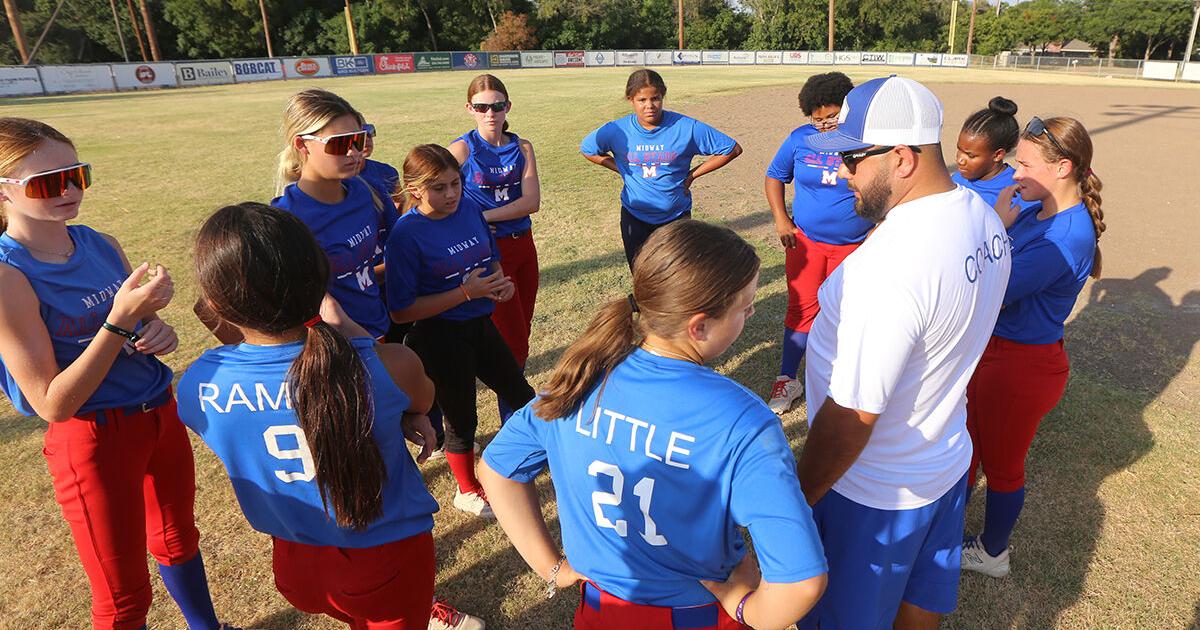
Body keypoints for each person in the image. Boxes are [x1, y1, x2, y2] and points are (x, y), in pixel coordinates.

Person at [479, 220, 828, 630]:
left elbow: (495, 470)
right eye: (746, 307)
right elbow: (801, 583)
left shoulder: (579, 379)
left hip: (599, 614)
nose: (752, 314)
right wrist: (744, 609)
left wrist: (551, 569)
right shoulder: (743, 423)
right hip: (697, 617)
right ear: (698, 326)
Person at [177, 202, 484, 630]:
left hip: (296, 564)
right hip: (385, 560)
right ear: (321, 279)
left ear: (216, 303)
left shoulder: (199, 383)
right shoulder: (390, 364)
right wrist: (345, 327)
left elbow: (273, 384)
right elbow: (421, 398)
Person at [794, 76, 1011, 629]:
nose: (841, 173)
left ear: (902, 157)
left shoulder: (890, 267)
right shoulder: (983, 217)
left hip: (872, 492)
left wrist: (797, 503)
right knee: (921, 604)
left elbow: (852, 416)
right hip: (943, 462)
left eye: (851, 158)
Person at [0, 117, 228, 629]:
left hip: (158, 414)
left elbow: (145, 329)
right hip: (94, 441)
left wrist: (155, 329)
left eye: (77, 174)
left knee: (177, 538)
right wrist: (120, 322)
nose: (69, 190)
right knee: (122, 597)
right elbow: (52, 403)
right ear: (4, 192)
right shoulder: (8, 275)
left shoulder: (99, 242)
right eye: (46, 182)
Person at [961, 116, 1106, 579]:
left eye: (1023, 164)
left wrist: (994, 230)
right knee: (967, 448)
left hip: (1021, 366)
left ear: (1062, 167)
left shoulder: (1065, 236)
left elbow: (989, 285)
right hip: (997, 352)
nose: (1014, 172)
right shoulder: (1033, 207)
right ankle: (943, 527)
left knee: (1002, 465)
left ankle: (993, 553)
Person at [385, 144, 535, 519]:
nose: (452, 194)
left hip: (480, 324)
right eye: (439, 187)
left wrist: (501, 284)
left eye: (456, 182)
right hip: (438, 336)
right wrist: (465, 292)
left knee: (522, 395)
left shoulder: (469, 208)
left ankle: (530, 457)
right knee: (463, 419)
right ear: (415, 189)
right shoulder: (406, 235)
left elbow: (490, 258)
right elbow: (401, 311)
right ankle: (467, 491)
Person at [763, 71, 871, 415]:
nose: (824, 125)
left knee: (846, 316)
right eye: (817, 118)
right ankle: (787, 378)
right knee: (800, 309)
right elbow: (774, 176)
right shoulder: (800, 139)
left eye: (832, 117)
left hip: (853, 248)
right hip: (805, 245)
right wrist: (782, 219)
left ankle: (841, 382)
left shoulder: (865, 142)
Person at [580, 69, 743, 269]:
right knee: (641, 274)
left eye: (655, 98)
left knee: (676, 275)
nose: (649, 106)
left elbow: (731, 149)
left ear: (662, 96)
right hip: (634, 217)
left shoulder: (685, 127)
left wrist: (692, 175)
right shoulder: (617, 130)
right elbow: (588, 149)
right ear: (630, 99)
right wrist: (622, 169)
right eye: (642, 100)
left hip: (675, 217)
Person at [448, 74, 541, 422]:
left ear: (507, 107)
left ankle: (511, 407)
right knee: (512, 337)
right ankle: (513, 416)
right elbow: (431, 186)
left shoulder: (523, 147)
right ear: (470, 108)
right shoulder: (462, 148)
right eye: (483, 106)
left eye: (497, 106)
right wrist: (466, 224)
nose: (491, 113)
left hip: (523, 246)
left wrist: (482, 214)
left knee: (522, 330)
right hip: (488, 252)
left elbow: (530, 202)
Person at [270, 88, 391, 340]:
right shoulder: (286, 219)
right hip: (337, 347)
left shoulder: (360, 188)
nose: (353, 152)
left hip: (380, 325)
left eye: (358, 139)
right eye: (340, 143)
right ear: (302, 144)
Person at [951, 96, 1034, 210]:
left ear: (998, 155)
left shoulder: (1019, 190)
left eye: (970, 155)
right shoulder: (956, 180)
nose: (960, 160)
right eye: (959, 150)